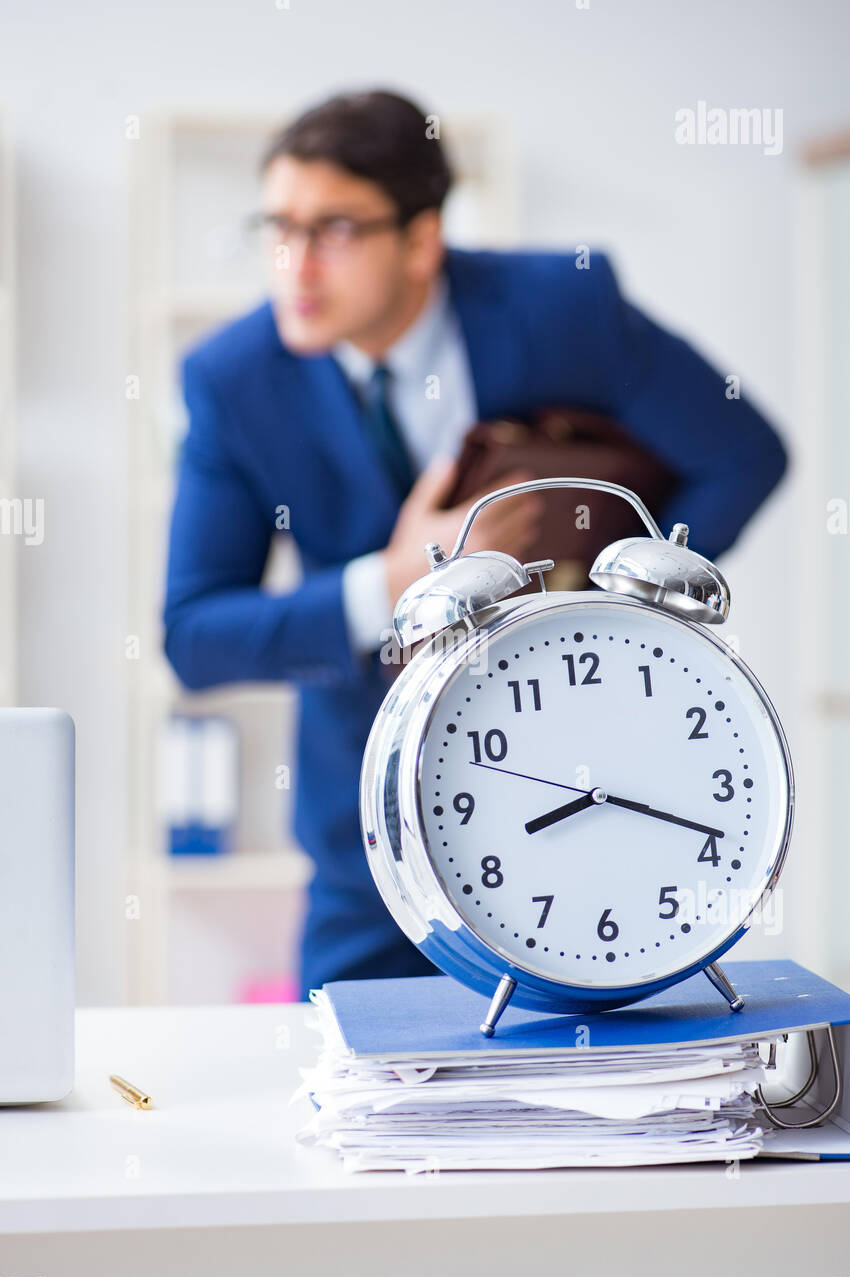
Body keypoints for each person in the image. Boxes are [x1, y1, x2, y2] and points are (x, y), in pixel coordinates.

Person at [162, 89, 787, 998]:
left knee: (606, 1103)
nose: (295, 263)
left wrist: (611, 606)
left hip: (594, 795)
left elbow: (742, 455)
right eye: (277, 226)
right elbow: (192, 633)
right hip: (371, 837)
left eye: (334, 227)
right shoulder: (233, 379)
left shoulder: (563, 305)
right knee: (356, 1101)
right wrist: (386, 581)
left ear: (421, 240)